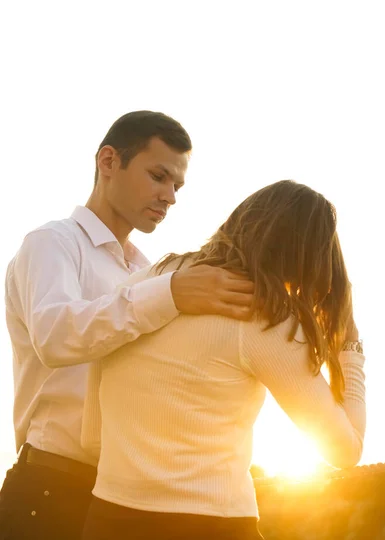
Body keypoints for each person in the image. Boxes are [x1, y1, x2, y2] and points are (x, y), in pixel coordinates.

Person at [0, 111, 254, 540]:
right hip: (51, 488)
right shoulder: (51, 244)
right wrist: (171, 294)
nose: (170, 196)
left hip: (127, 501)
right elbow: (56, 336)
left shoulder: (149, 271)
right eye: (158, 176)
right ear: (108, 162)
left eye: (177, 186)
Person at [80, 179, 367, 540]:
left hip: (107, 520)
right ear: (307, 257)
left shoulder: (142, 283)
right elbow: (345, 450)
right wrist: (350, 350)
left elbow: (91, 436)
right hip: (211, 526)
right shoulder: (261, 314)